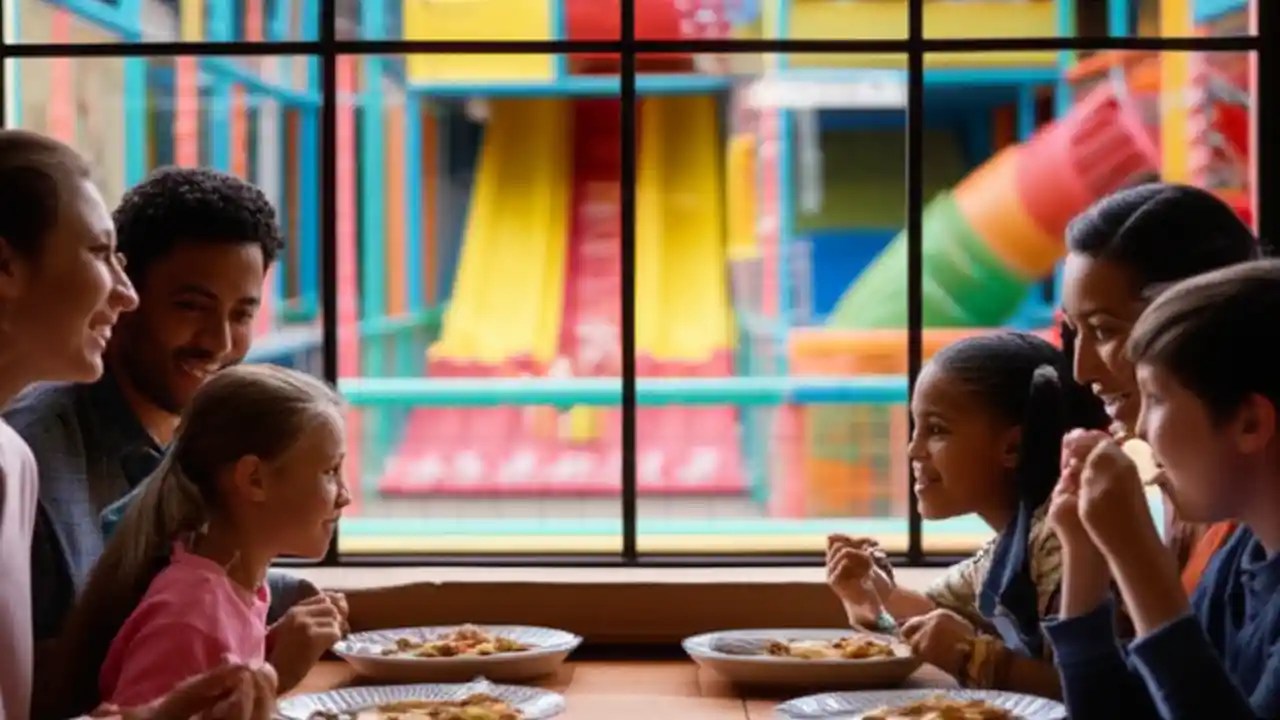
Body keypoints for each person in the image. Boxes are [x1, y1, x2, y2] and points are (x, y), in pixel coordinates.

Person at [2, 166, 344, 699]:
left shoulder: (200, 440)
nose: (218, 341)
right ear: (126, 290)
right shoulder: (34, 457)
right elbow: (38, 688)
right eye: (191, 307)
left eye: (241, 314)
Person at [1045, 259, 1280, 719]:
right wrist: (1085, 554)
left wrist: (1136, 556)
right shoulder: (1241, 559)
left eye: (1154, 397)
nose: (1141, 431)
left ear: (1250, 422)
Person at [60, 364, 350, 715]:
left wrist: (272, 654)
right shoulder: (189, 618)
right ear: (254, 479)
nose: (345, 496)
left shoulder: (240, 587)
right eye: (331, 472)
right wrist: (276, 674)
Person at [827, 332, 1105, 696]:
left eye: (937, 430)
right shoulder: (1010, 546)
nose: (913, 450)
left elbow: (1088, 695)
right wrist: (874, 597)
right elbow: (932, 620)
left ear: (1013, 447)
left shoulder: (1064, 540)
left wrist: (975, 657)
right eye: (916, 429)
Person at [1059, 182, 1260, 592]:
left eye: (1102, 330)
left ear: (1192, 323)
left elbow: (1184, 656)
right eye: (1074, 331)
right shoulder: (1184, 485)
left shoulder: (1248, 507)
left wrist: (1131, 554)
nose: (1081, 370)